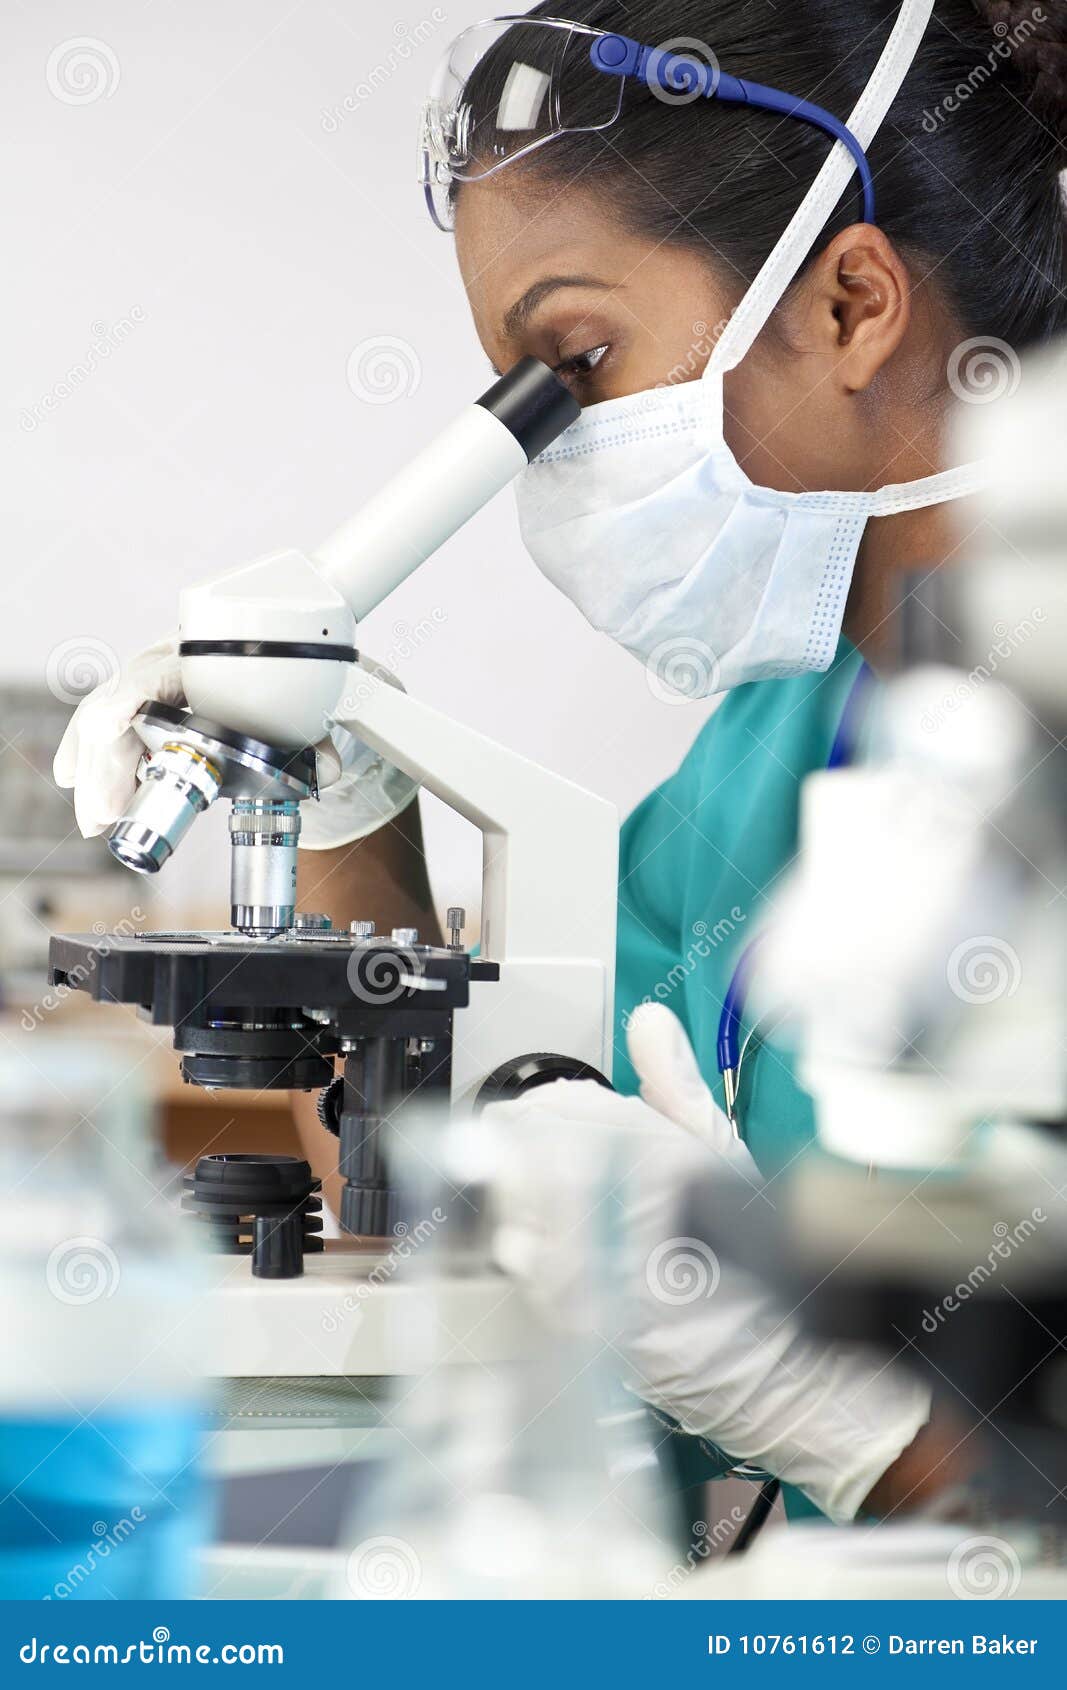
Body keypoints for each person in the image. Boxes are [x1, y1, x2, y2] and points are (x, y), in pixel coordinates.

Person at [55, 1, 1067, 1526]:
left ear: (852, 303)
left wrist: (845, 1417)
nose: (556, 452)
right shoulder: (773, 748)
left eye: (577, 364)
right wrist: (335, 791)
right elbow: (454, 1166)